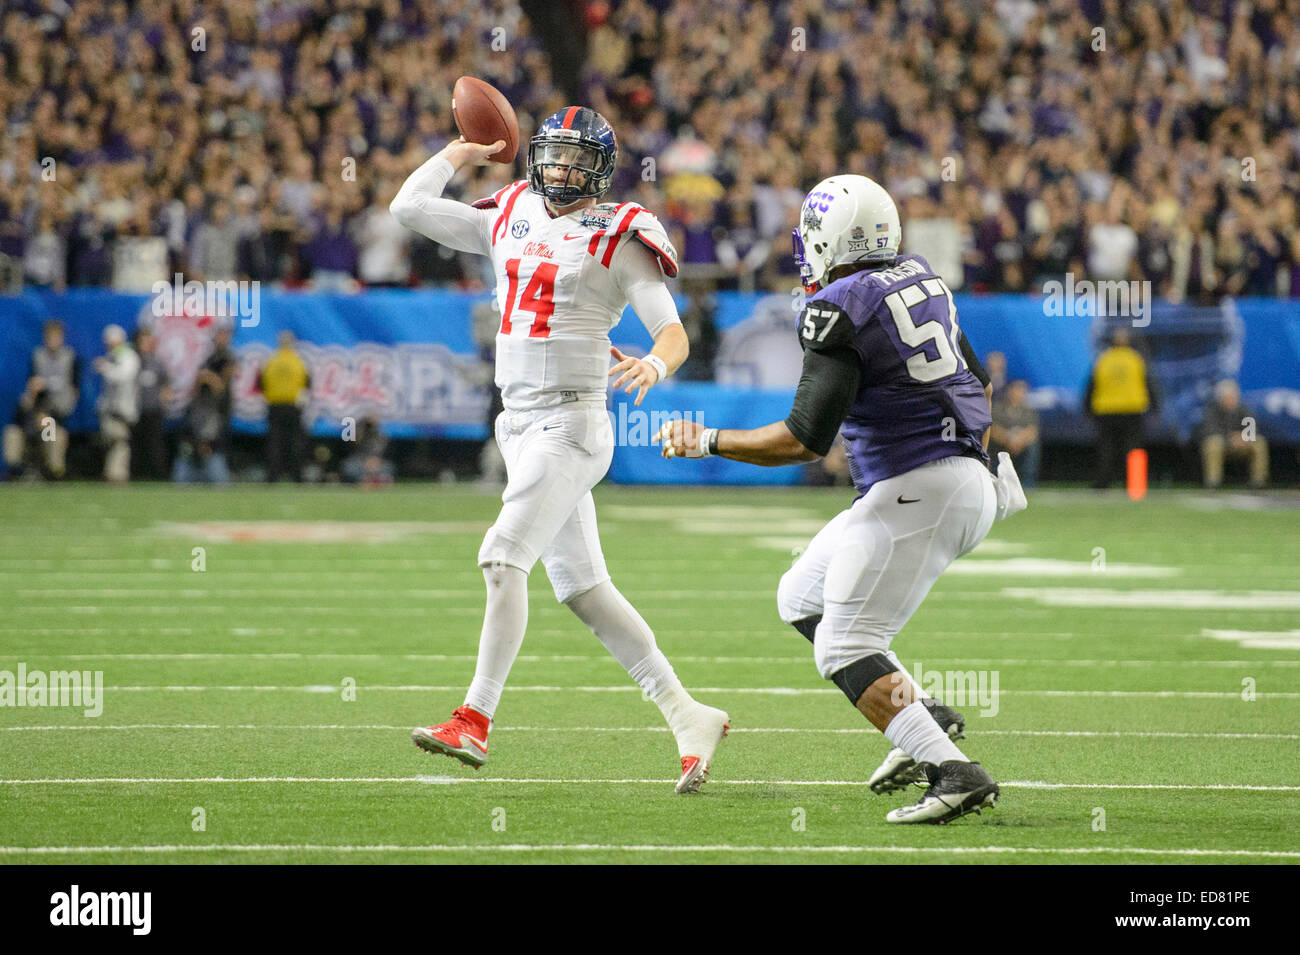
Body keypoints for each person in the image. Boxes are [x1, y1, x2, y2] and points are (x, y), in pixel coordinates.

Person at [657, 174, 1027, 823]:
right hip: (952, 478)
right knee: (800, 596)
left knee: (844, 645)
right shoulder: (919, 276)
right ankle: (925, 713)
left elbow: (803, 440)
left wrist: (709, 439)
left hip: (925, 484)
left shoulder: (840, 306)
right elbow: (979, 380)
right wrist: (977, 453)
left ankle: (953, 770)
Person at [391, 107, 729, 793]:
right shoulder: (509, 208)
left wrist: (655, 367)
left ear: (600, 170)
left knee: (501, 555)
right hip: (519, 426)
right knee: (583, 590)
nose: (560, 170)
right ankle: (689, 714)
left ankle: (475, 717)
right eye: (553, 155)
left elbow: (673, 332)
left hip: (572, 426)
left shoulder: (619, 233)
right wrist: (460, 151)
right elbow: (409, 206)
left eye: (577, 159)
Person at [1083, 327, 1159, 489]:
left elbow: (1091, 385)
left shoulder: (1104, 358)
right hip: (1132, 408)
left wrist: (1087, 407)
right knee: (1133, 448)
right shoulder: (1135, 358)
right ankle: (1135, 484)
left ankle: (1103, 483)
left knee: (1106, 448)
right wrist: (1155, 406)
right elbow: (1149, 383)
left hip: (1107, 409)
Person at [3, 319, 79, 480]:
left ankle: (51, 472)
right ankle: (15, 472)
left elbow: (68, 401)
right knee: (12, 433)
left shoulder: (69, 358)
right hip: (33, 419)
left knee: (49, 430)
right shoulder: (38, 356)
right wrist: (32, 394)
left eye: (56, 336)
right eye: (50, 337)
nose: (53, 341)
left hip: (53, 417)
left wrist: (48, 413)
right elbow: (23, 408)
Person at [259, 330, 311, 482]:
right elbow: (307, 384)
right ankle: (297, 476)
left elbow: (261, 383)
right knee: (296, 441)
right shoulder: (299, 362)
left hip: (275, 405)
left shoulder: (271, 361)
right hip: (293, 406)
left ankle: (273, 476)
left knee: (275, 442)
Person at [1200, 379, 1268, 489]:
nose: (1230, 400)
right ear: (1220, 399)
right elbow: (1210, 430)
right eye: (1227, 398)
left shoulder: (1243, 408)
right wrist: (1230, 438)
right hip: (1223, 444)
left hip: (1242, 444)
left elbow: (1252, 427)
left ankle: (1258, 481)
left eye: (1233, 397)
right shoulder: (1212, 410)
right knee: (1213, 443)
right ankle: (1213, 482)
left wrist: (1243, 437)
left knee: (1259, 442)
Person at [94, 324, 140, 483]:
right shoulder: (114, 356)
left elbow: (123, 376)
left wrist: (106, 368)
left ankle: (116, 473)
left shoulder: (127, 356)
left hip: (122, 408)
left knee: (120, 440)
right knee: (116, 440)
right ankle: (114, 472)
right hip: (111, 407)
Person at [132, 327, 172, 480]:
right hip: (135, 409)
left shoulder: (157, 363)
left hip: (154, 409)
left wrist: (165, 397)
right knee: (136, 444)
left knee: (155, 444)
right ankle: (137, 474)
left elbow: (166, 384)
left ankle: (157, 475)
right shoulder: (133, 361)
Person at [990, 379, 1040, 488]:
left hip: (1021, 443)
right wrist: (1009, 440)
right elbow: (993, 429)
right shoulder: (997, 408)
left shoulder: (1029, 410)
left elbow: (1032, 431)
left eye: (1022, 390)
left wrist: (1019, 441)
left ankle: (1027, 481)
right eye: (1017, 390)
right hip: (1002, 443)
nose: (1019, 393)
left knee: (1033, 446)